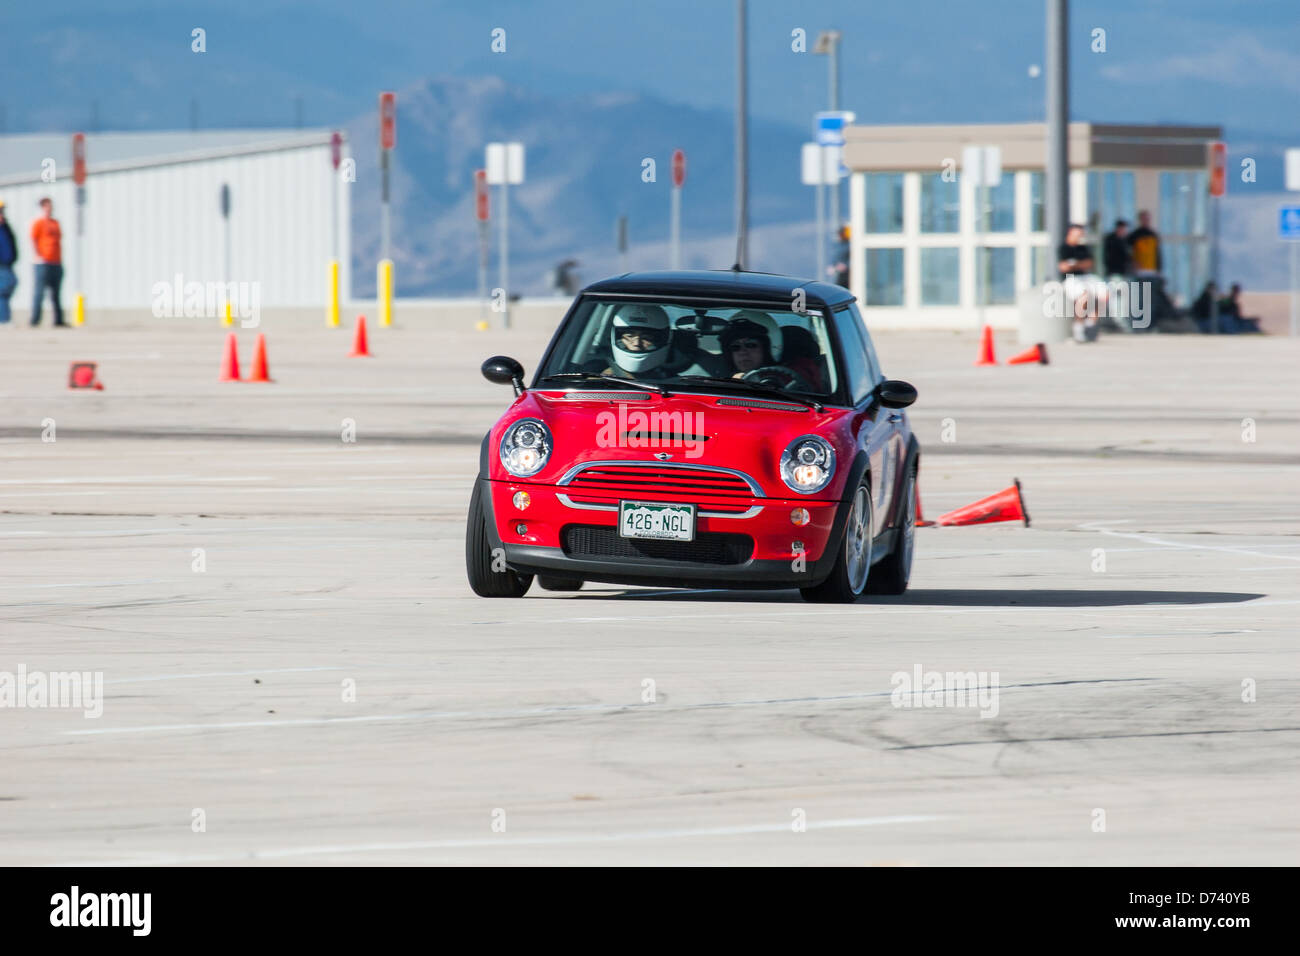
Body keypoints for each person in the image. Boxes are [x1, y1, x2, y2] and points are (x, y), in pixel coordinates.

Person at [1057, 223, 1106, 342]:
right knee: (1083, 296)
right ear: (1071, 232)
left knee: (1104, 293)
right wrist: (1079, 265)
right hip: (1071, 279)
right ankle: (1078, 327)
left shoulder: (1082, 248)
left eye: (1081, 235)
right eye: (1078, 234)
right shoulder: (1064, 248)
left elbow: (1089, 264)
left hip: (1086, 277)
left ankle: (1090, 323)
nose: (1079, 237)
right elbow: (1064, 268)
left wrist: (1074, 265)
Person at [30, 197, 66, 327]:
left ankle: (58, 320)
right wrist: (38, 256)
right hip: (43, 263)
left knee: (56, 294)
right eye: (47, 206)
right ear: (42, 207)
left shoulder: (55, 223)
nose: (50, 208)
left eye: (51, 206)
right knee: (39, 292)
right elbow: (33, 239)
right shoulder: (38, 223)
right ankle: (34, 320)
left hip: (56, 262)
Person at [0, 200, 17, 324]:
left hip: (7, 264)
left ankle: (4, 318)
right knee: (3, 291)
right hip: (1, 265)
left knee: (8, 286)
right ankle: (4, 319)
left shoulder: (5, 227)